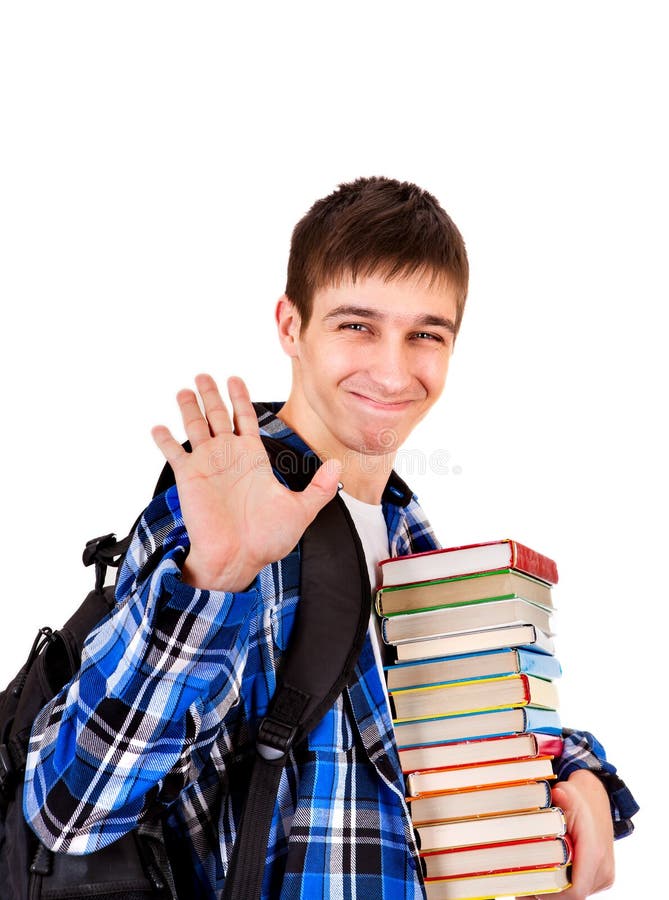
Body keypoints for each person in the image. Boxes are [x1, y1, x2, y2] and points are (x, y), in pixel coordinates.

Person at [23, 177, 636, 899]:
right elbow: (71, 810)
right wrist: (215, 578)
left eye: (425, 335)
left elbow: (437, 741)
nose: (393, 369)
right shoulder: (219, 513)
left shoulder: (405, 530)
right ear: (291, 326)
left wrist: (580, 778)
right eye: (357, 326)